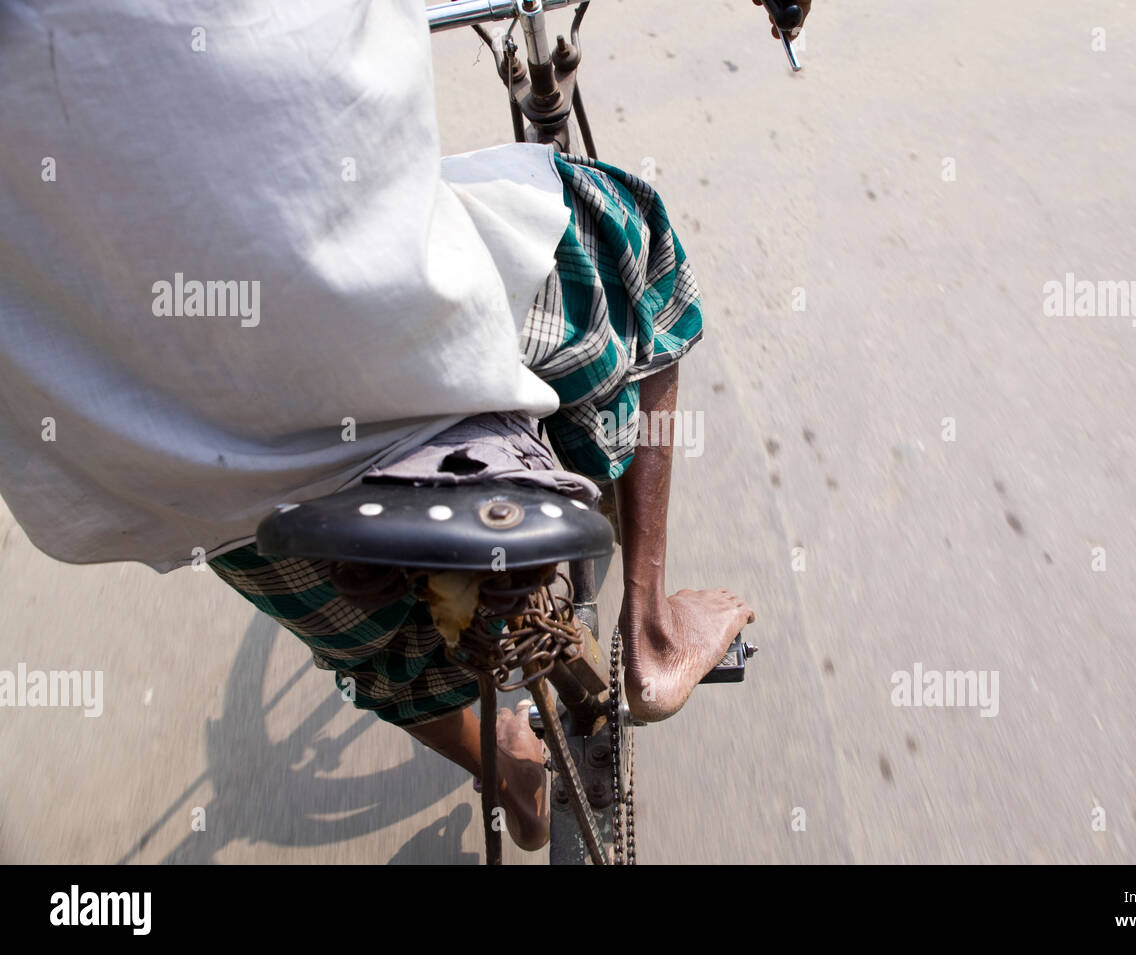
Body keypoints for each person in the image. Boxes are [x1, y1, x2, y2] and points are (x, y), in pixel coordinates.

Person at [0, 0, 809, 850]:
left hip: (129, 441)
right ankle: (647, 639)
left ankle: (503, 767)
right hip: (371, 328)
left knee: (305, 565)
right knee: (635, 229)